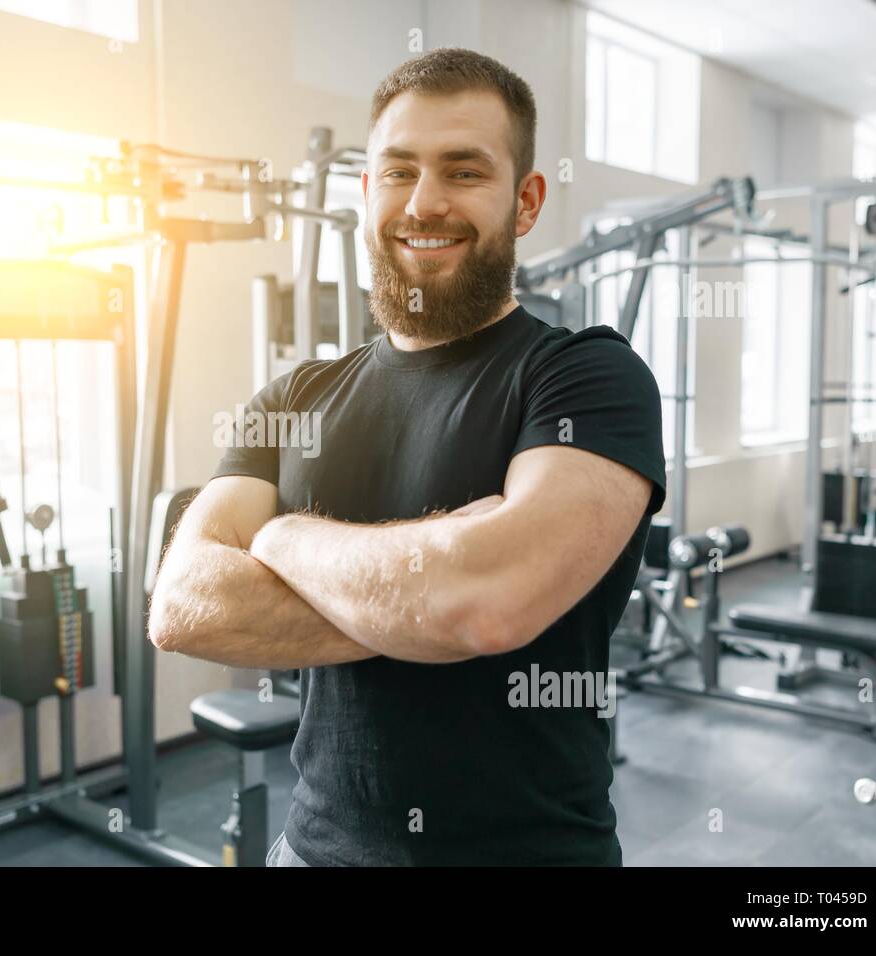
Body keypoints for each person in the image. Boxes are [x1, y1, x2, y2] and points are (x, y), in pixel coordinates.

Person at [148, 47, 666, 866]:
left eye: (464, 172)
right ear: (367, 193)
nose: (424, 202)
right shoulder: (295, 399)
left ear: (525, 201)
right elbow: (182, 606)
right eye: (398, 172)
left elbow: (485, 603)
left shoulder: (585, 377)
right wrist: (425, 592)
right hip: (310, 852)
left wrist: (281, 541)